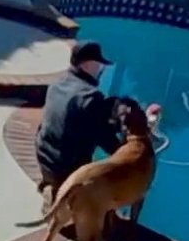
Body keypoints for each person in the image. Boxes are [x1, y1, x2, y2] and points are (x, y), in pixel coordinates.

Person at [34, 41, 160, 205]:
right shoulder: (89, 97)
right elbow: (108, 142)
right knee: (113, 179)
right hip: (64, 170)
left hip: (44, 158)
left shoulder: (57, 85)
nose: (101, 70)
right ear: (89, 65)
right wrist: (139, 138)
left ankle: (50, 185)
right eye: (100, 65)